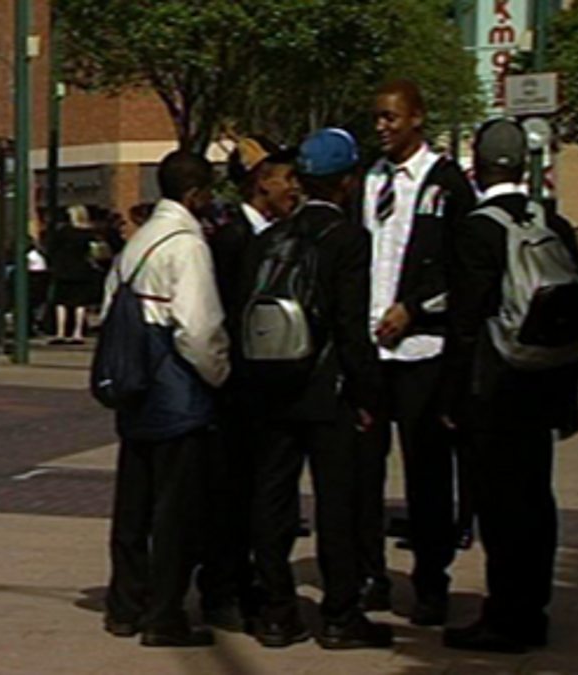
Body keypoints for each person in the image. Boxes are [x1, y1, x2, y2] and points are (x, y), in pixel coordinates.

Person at [241, 128, 390, 650]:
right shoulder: (347, 240)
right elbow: (352, 326)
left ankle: (278, 610)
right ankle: (340, 613)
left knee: (273, 497)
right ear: (347, 182)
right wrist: (369, 395)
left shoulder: (268, 240)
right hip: (329, 389)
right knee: (338, 502)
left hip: (271, 386)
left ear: (301, 179)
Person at [443, 118, 578, 653]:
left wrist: (453, 398)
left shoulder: (478, 228)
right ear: (524, 167)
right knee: (535, 500)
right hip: (545, 383)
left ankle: (504, 616)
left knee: (499, 506)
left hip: (495, 385)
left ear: (477, 167)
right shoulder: (553, 221)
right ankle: (534, 608)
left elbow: (466, 319)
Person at [358, 80, 476, 624]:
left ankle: (431, 581)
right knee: (362, 470)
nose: (383, 126)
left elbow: (463, 271)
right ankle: (368, 574)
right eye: (377, 118)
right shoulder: (369, 178)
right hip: (370, 355)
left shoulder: (447, 184)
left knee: (427, 474)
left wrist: (414, 308)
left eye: (392, 117)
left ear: (418, 118)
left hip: (422, 352)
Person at [102, 150, 229, 648]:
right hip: (175, 392)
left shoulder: (138, 243)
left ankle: (124, 604)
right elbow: (199, 328)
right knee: (175, 509)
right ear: (196, 194)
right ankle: (164, 614)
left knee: (133, 503)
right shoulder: (187, 245)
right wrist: (220, 375)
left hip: (135, 387)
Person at [196, 135, 300, 632]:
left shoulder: (274, 236)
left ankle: (245, 582)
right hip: (235, 390)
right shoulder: (234, 238)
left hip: (261, 391)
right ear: (262, 181)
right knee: (229, 495)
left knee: (253, 491)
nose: (294, 188)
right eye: (287, 177)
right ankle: (222, 589)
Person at [47, 204, 103, 344]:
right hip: (82, 270)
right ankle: (77, 332)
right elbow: (97, 253)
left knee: (61, 302)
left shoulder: (62, 232)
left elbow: (51, 249)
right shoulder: (89, 234)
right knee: (80, 303)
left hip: (63, 270)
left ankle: (60, 332)